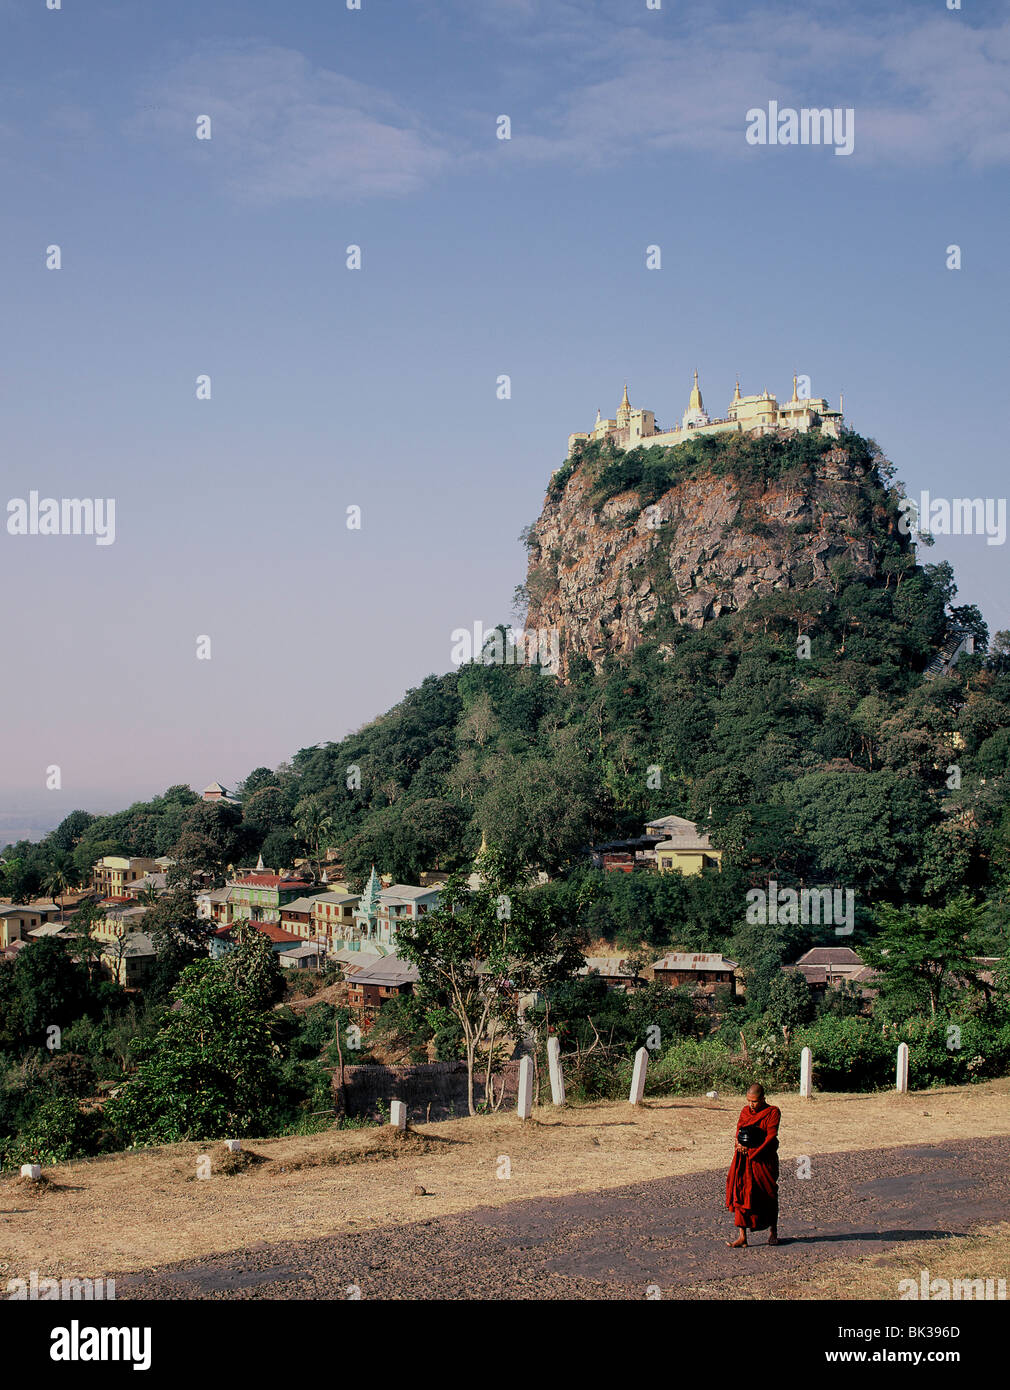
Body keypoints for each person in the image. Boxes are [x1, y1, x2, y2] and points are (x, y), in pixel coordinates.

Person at [725, 1082, 780, 1247]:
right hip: (743, 1158)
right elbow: (739, 1131)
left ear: (763, 1099)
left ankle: (773, 1232)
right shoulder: (745, 1111)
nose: (751, 1105)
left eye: (754, 1101)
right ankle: (742, 1236)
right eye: (749, 1101)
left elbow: (771, 1135)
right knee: (740, 1191)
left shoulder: (773, 1112)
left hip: (763, 1158)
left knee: (768, 1193)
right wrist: (738, 1145)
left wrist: (753, 1152)